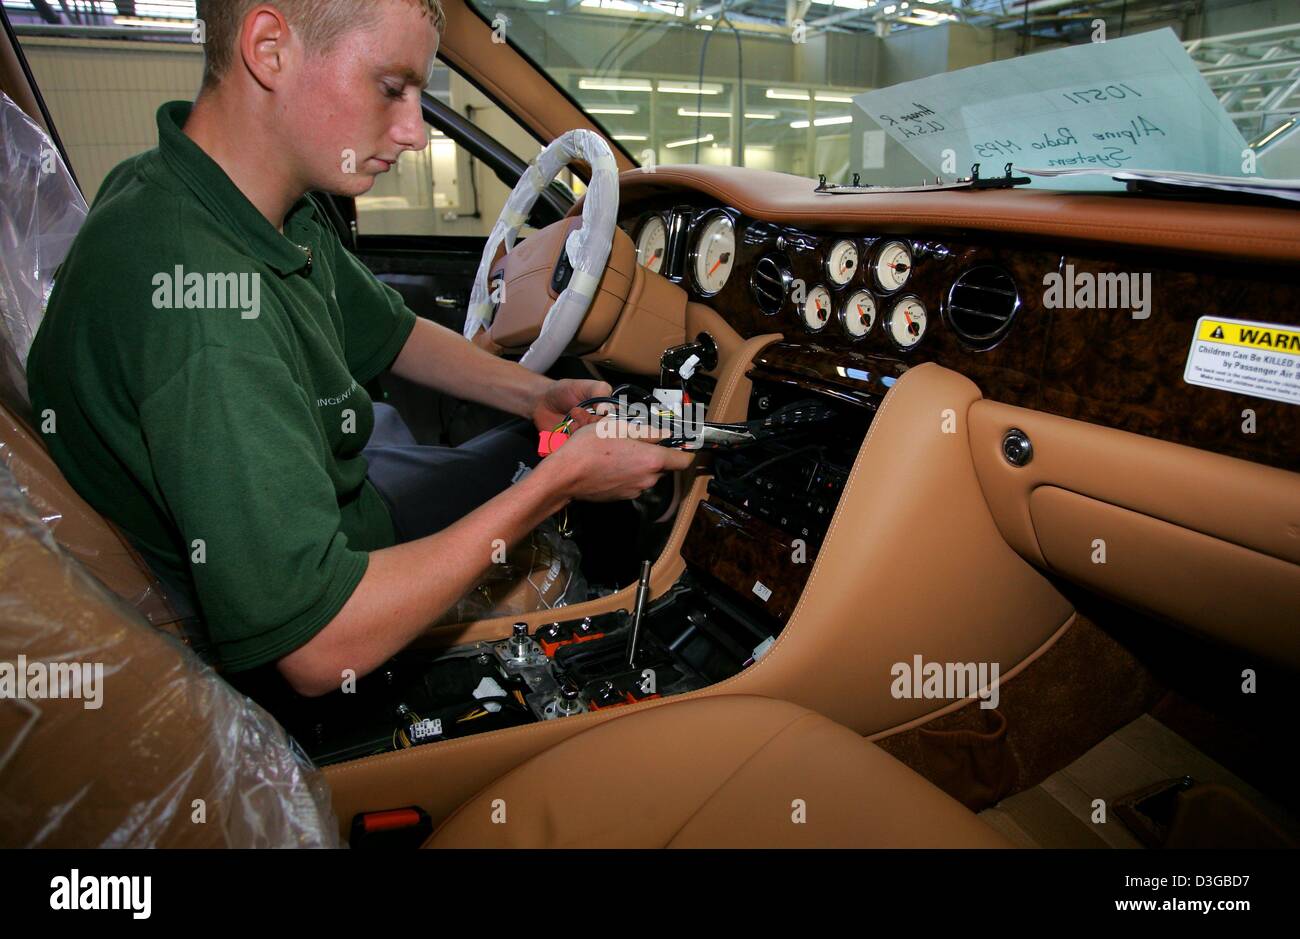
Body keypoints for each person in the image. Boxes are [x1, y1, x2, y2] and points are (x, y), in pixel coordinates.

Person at [26, 0, 692, 700]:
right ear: (269, 49)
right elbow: (317, 649)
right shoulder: (206, 316)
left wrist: (536, 395)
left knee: (525, 443)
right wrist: (557, 485)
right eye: (391, 87)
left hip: (330, 496)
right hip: (334, 605)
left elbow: (391, 332)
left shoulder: (219, 194)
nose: (414, 133)